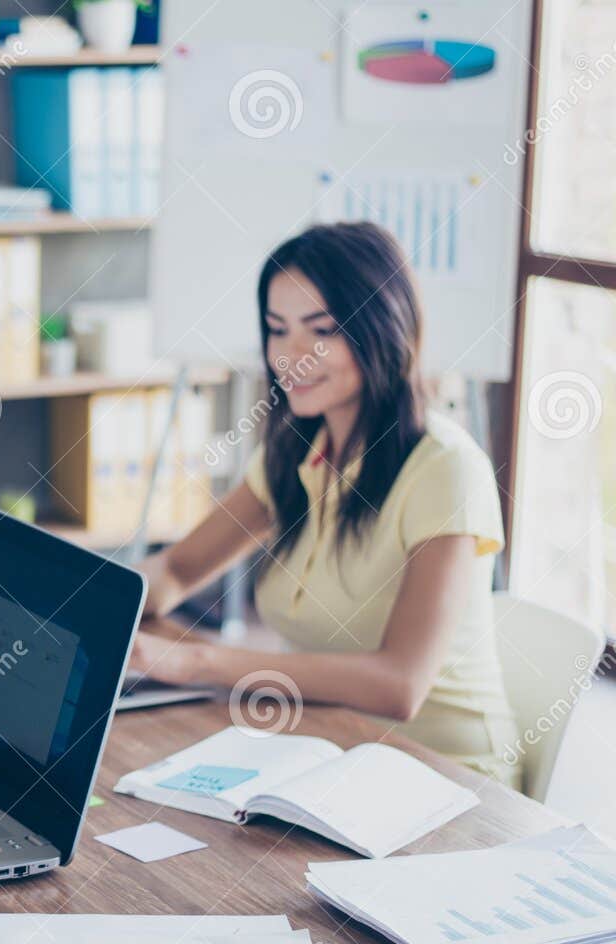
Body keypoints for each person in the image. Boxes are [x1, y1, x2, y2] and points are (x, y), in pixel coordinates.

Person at [130, 222, 519, 785]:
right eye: (276, 329)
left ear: (384, 331)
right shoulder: (295, 452)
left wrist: (197, 660)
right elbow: (174, 569)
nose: (291, 355)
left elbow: (400, 685)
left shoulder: (446, 468)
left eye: (322, 331)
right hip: (327, 751)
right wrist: (85, 598)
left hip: (447, 776)